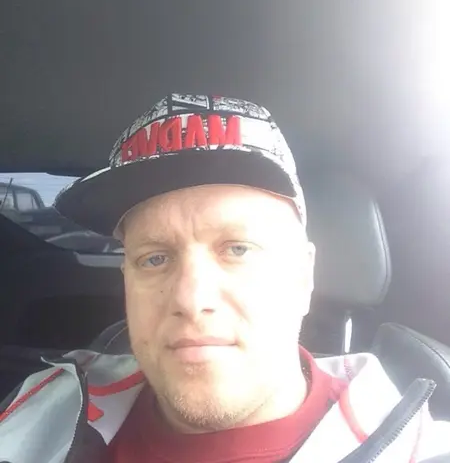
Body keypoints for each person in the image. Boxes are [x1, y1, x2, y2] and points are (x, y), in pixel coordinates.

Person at [0, 93, 449, 463]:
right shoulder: (43, 407)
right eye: (154, 258)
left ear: (302, 275)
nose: (190, 298)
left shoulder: (420, 450)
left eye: (237, 249)